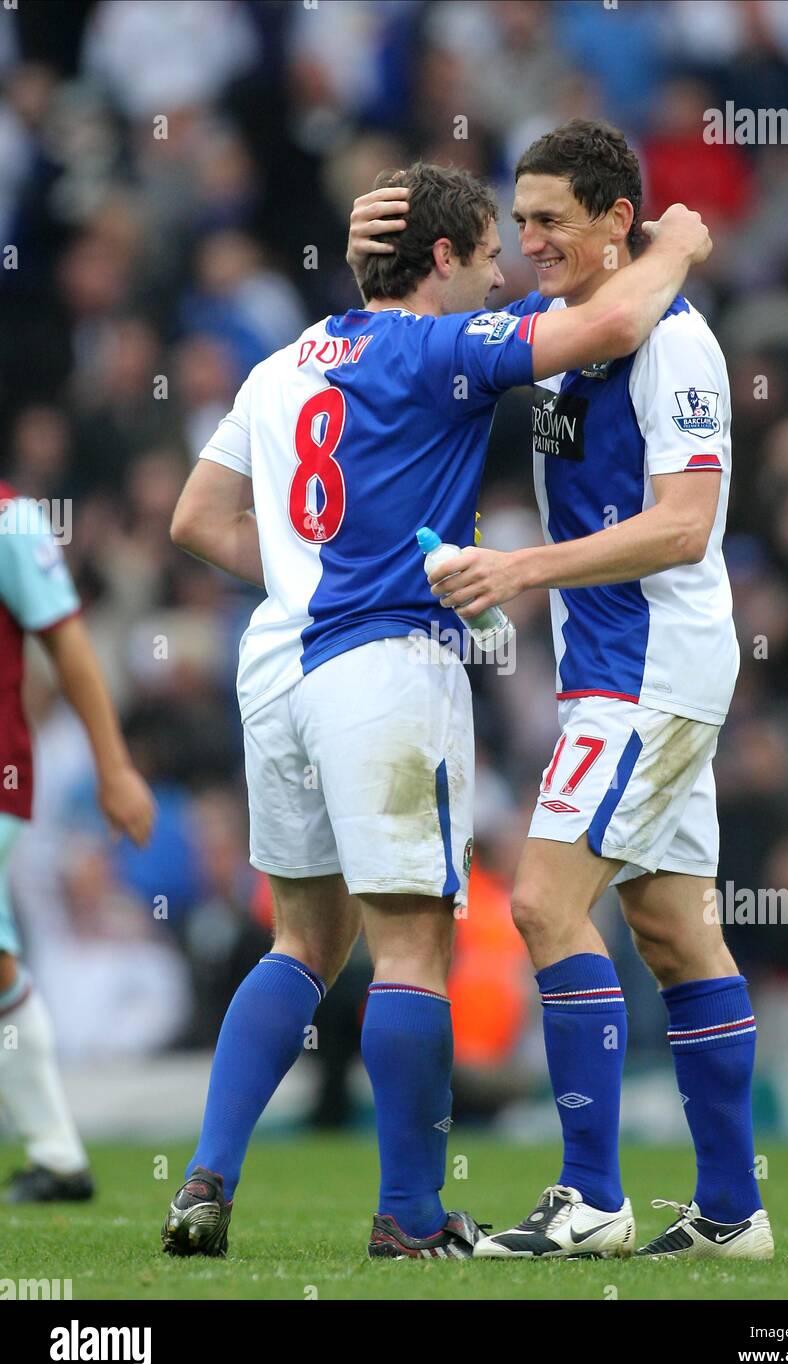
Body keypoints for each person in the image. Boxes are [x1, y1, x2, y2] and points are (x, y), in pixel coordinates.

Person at [165, 159, 710, 1259]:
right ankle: (412, 1217)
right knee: (412, 950)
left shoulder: (283, 363)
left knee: (303, 941)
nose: (506, 270)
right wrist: (678, 248)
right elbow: (601, 329)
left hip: (280, 661)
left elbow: (192, 519)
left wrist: (301, 574)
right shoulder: (437, 350)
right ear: (446, 257)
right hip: (382, 659)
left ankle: (205, 1178)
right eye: (490, 252)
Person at [347, 119, 773, 1261]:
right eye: (518, 220)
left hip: (647, 667)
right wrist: (365, 245)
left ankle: (590, 1194)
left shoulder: (672, 343)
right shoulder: (563, 328)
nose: (528, 240)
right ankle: (733, 1214)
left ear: (614, 223)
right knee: (675, 930)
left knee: (539, 902)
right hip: (617, 665)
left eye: (549, 221)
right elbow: (406, 329)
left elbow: (683, 525)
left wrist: (524, 567)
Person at [0, 484, 155, 1202]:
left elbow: (66, 638)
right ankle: (59, 1156)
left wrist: (114, 766)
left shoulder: (11, 518)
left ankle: (59, 1154)